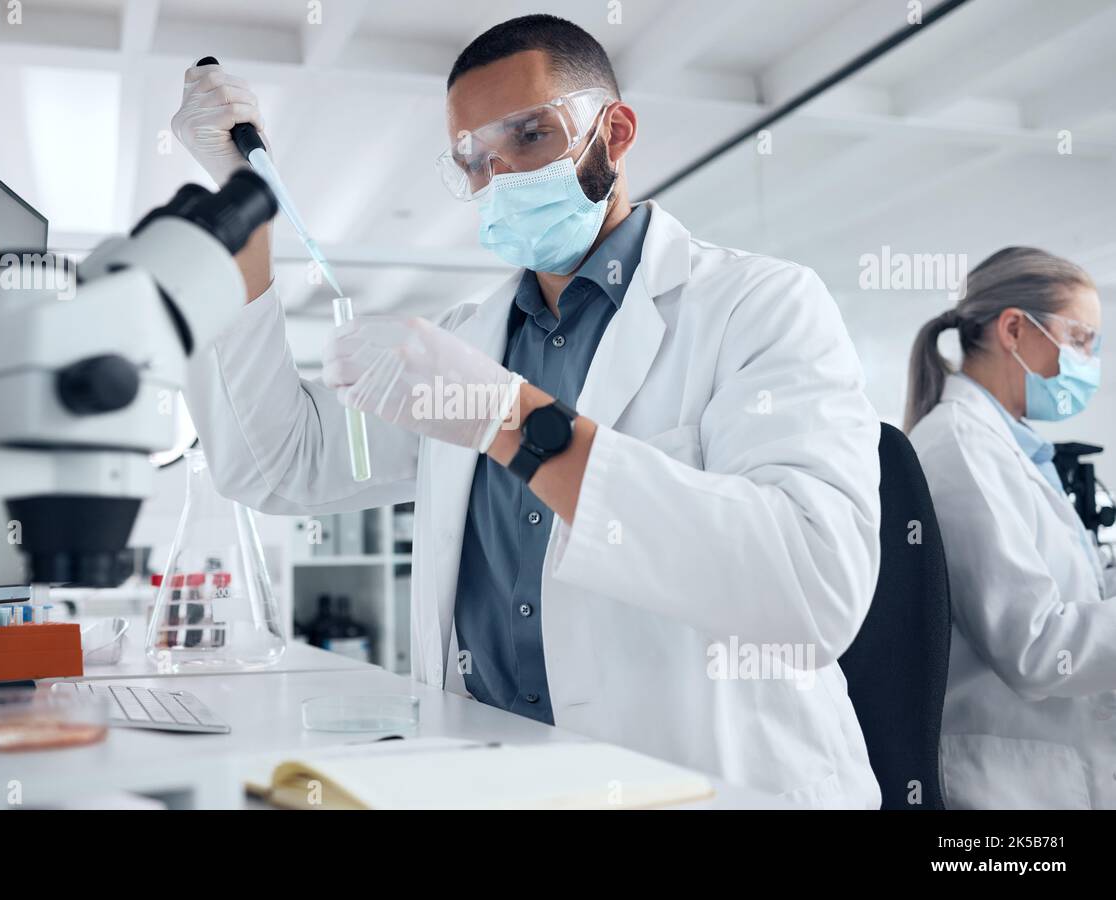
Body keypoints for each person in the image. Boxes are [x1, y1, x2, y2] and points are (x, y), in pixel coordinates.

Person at [174, 14, 882, 807]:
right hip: (498, 780)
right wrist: (241, 208)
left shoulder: (759, 304)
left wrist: (510, 418)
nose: (501, 175)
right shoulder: (470, 339)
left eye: (532, 136)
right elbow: (279, 465)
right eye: (474, 159)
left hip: (717, 785)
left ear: (614, 131)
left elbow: (815, 590)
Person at [905, 247, 1112, 809]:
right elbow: (1036, 647)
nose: (1091, 359)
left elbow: (1075, 595)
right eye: (1081, 339)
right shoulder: (959, 450)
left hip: (1053, 773)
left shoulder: (1010, 448)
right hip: (1010, 791)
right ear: (1015, 329)